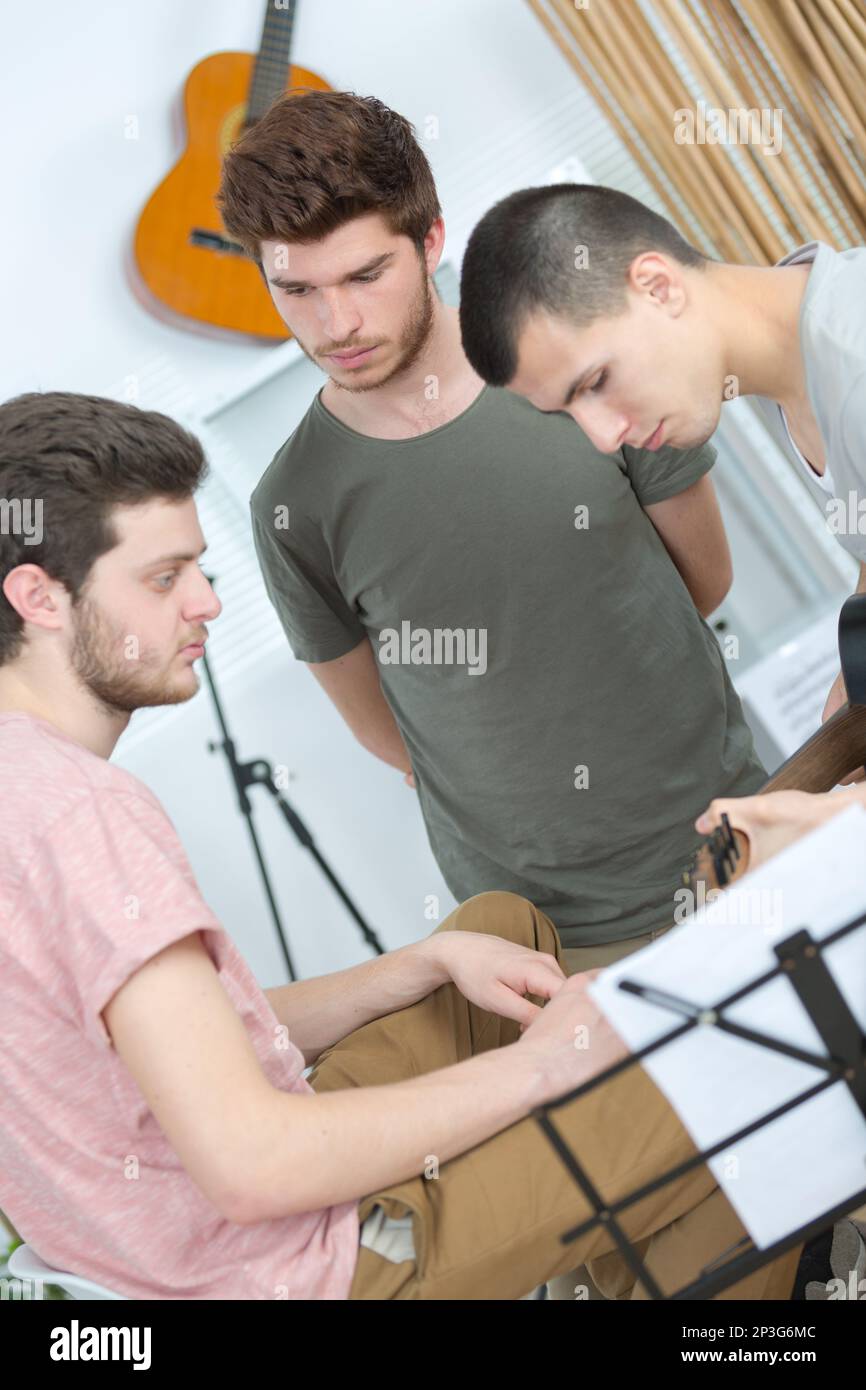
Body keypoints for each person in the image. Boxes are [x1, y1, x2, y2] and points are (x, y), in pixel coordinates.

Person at [0, 389, 800, 1300]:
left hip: (164, 1236)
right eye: (163, 577)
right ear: (39, 598)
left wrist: (417, 964)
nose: (209, 602)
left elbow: (159, 1042)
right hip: (310, 1264)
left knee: (500, 927)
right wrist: (545, 1067)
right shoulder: (81, 816)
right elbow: (254, 1165)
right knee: (740, 1063)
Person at [216, 90, 767, 987]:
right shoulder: (292, 504)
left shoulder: (578, 373)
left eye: (364, 276)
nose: (336, 324)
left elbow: (702, 578)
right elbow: (386, 732)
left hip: (748, 832)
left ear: (432, 241)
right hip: (540, 943)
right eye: (296, 290)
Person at [457, 181, 866, 852]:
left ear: (657, 286)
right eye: (568, 412)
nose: (601, 435)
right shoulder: (790, 364)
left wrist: (828, 820)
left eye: (594, 383)